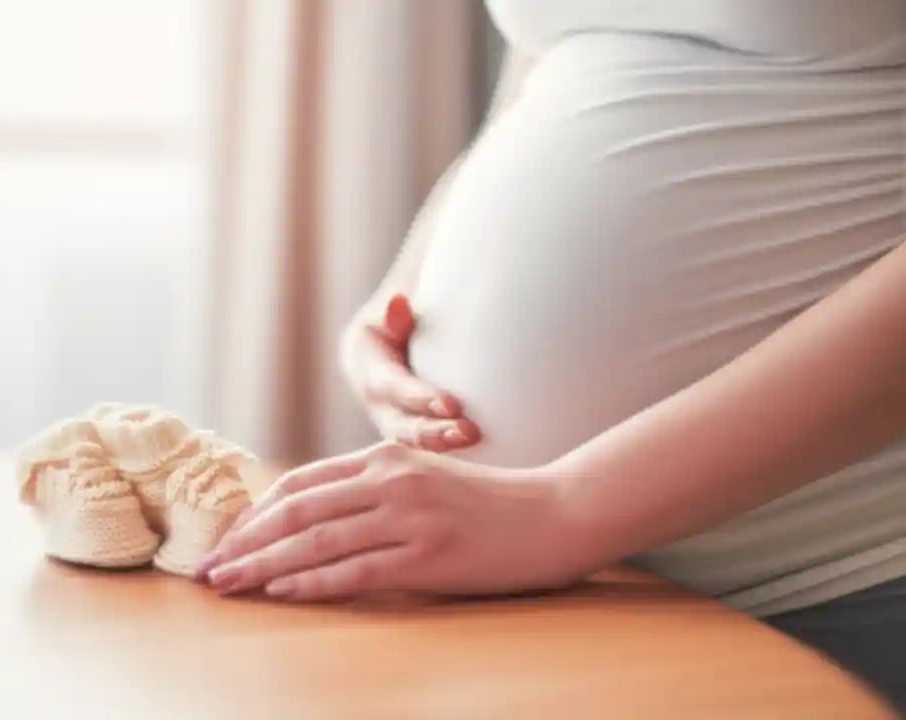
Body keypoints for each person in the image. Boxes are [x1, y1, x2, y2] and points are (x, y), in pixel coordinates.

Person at [197, 0, 906, 708]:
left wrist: (564, 509)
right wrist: (401, 297)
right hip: (538, 586)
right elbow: (554, 74)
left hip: (834, 583)